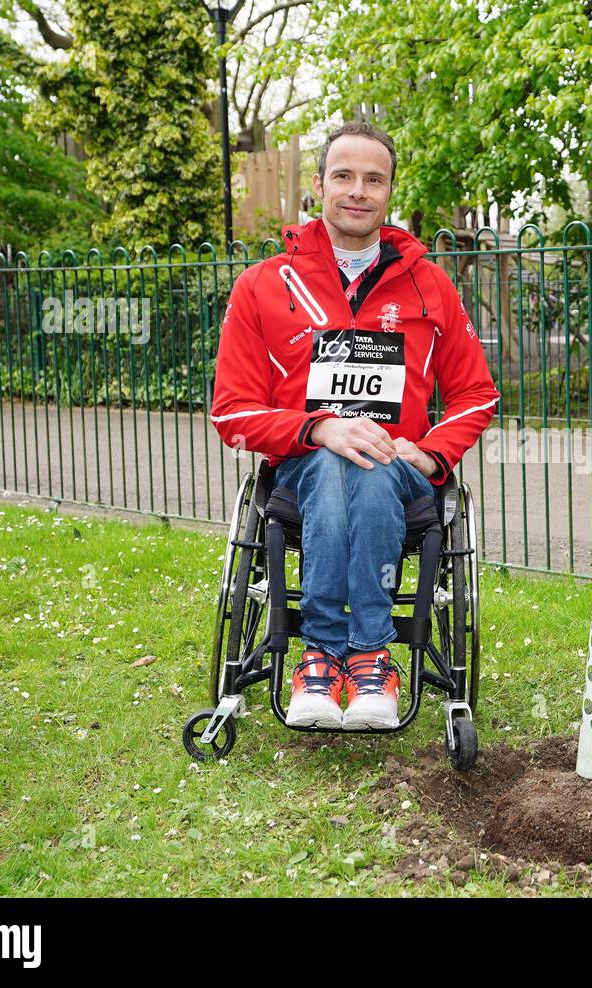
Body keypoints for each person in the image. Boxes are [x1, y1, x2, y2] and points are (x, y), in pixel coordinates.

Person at [210, 121, 498, 729]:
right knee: (343, 460)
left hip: (402, 475)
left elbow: (476, 394)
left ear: (389, 191)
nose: (358, 191)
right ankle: (361, 659)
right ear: (319, 185)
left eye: (374, 179)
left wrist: (430, 454)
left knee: (373, 466)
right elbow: (231, 411)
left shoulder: (431, 285)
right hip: (301, 471)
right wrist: (317, 429)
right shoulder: (262, 286)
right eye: (344, 176)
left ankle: (330, 657)